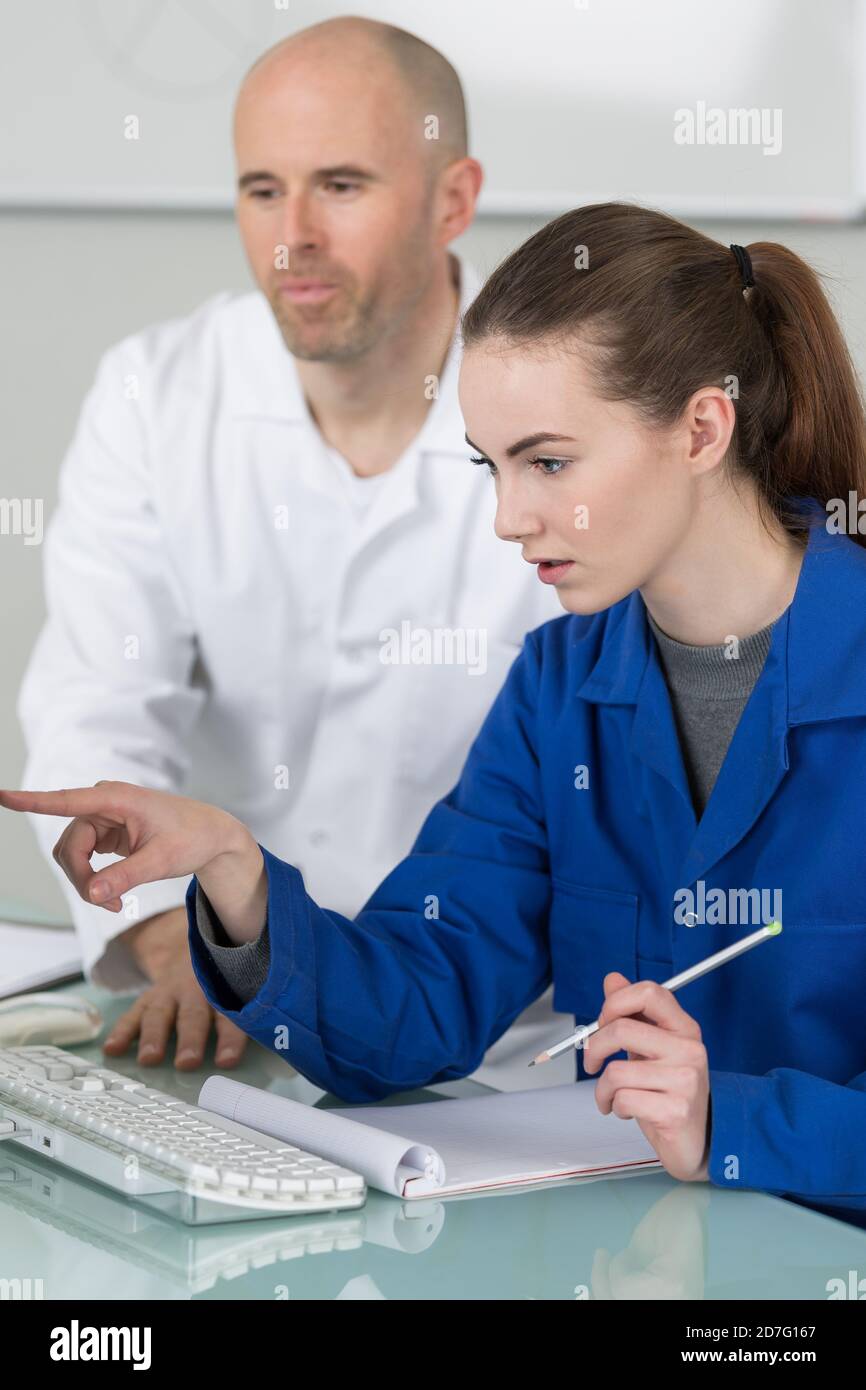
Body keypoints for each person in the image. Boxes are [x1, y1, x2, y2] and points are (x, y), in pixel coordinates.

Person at [7, 200, 866, 1226]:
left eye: (547, 463)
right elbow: (419, 998)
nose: (509, 518)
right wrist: (236, 872)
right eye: (489, 466)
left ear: (698, 427)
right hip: (638, 1260)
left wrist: (728, 1120)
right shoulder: (559, 685)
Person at [15, 17, 560, 1077]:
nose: (290, 236)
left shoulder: (565, 406)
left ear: (453, 198)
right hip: (211, 1010)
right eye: (261, 190)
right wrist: (185, 935)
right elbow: (98, 701)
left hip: (500, 1039)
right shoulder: (157, 395)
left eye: (341, 186)